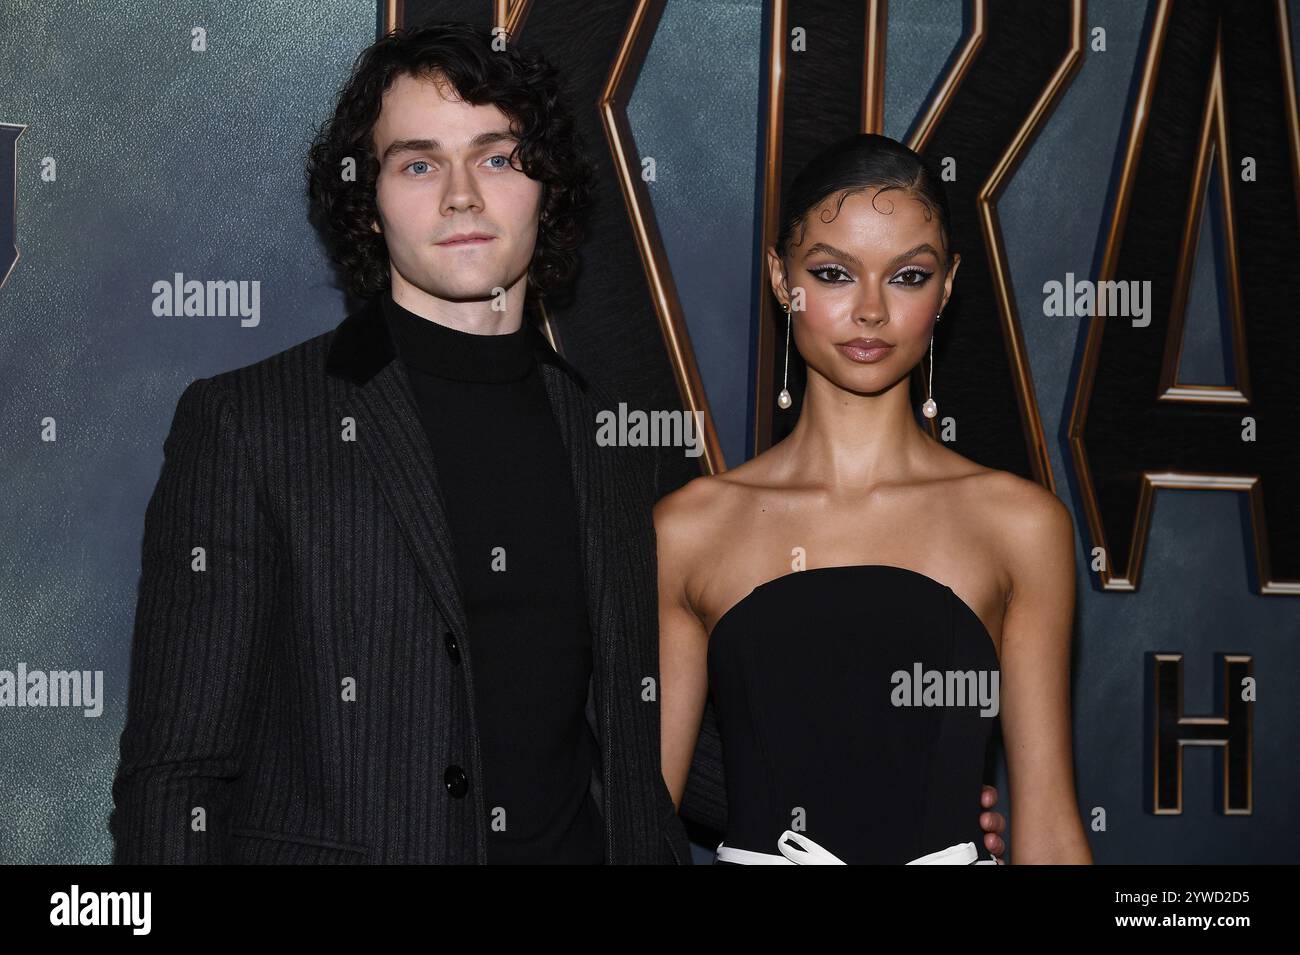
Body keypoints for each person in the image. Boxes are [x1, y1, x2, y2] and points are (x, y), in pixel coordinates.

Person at [108, 21, 1008, 864]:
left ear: (547, 186)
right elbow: (172, 783)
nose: (462, 195)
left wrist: (891, 796)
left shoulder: (609, 441)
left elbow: (638, 734)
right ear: (367, 199)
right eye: (419, 165)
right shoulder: (251, 426)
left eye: (497, 157)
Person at [657, 133, 1091, 864]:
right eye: (832, 273)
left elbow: (1048, 825)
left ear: (947, 286)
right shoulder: (690, 528)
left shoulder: (1021, 525)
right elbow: (648, 820)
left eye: (908, 277)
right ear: (779, 278)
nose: (869, 311)